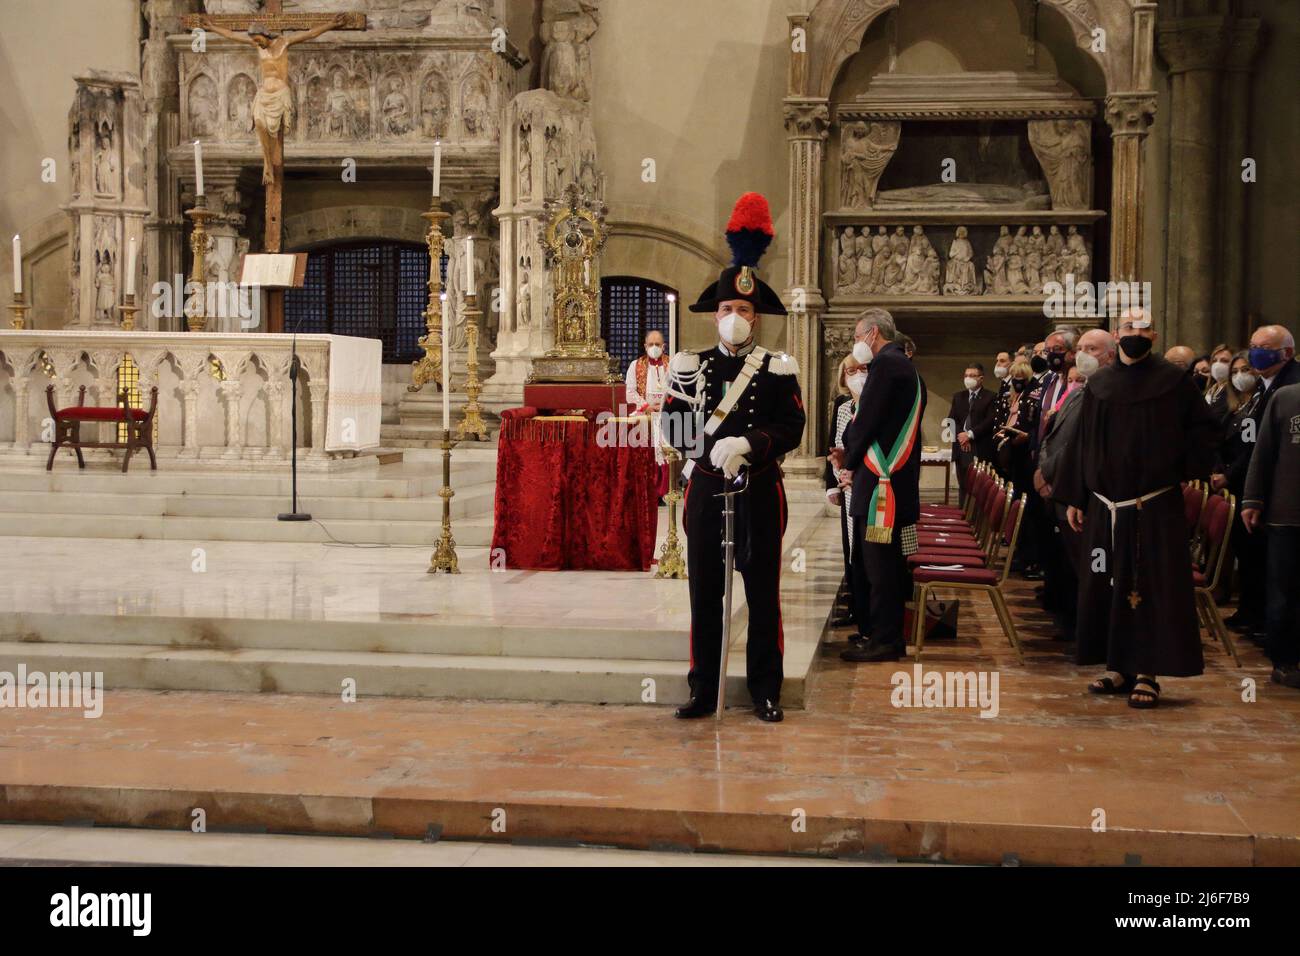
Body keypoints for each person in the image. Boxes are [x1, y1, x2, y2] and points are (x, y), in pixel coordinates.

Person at [661, 192, 805, 723]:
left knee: (763, 593)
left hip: (760, 491)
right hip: (704, 490)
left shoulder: (777, 368)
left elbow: (793, 426)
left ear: (756, 317)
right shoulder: (686, 364)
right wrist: (707, 450)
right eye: (726, 309)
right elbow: (672, 425)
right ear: (713, 316)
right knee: (705, 593)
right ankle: (703, 689)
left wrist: (748, 445)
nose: (735, 317)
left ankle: (766, 689)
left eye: (744, 310)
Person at [1055, 309, 1221, 709]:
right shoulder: (1099, 384)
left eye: (1143, 328)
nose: (1135, 333)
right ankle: (1116, 665)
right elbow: (1082, 443)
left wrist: (1181, 470)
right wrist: (1077, 496)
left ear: (1155, 335)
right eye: (1128, 327)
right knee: (1104, 582)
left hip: (1154, 505)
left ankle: (1148, 670)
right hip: (1104, 505)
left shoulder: (1173, 381)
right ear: (1117, 334)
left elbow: (1202, 431)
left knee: (1151, 588)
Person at [830, 308, 927, 663]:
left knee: (880, 566)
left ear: (872, 334)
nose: (856, 344)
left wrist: (848, 461)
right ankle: (883, 635)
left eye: (857, 337)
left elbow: (866, 420)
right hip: (890, 479)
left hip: (880, 484)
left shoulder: (886, 365)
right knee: (882, 564)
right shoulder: (905, 366)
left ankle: (885, 640)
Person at [1220, 325, 1300, 639]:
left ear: (1288, 353)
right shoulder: (1263, 386)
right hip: (1258, 488)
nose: (1256, 352)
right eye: (1253, 345)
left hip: (1282, 497)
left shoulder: (1291, 387)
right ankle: (1265, 624)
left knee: (1281, 575)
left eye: (1264, 347)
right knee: (1261, 564)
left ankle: (1276, 634)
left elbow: (1268, 448)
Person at [1037, 329, 1117, 637]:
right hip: (1060, 485)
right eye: (1080, 347)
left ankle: (1093, 631)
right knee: (1072, 567)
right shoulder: (1082, 391)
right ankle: (1078, 623)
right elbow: (1053, 433)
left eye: (1091, 348)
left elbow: (1078, 445)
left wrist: (1051, 474)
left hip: (1081, 492)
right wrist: (1044, 468)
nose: (1082, 354)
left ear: (1110, 355)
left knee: (1090, 569)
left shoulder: (1105, 393)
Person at [1242, 382, 1300, 689]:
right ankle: (1284, 661)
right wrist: (1252, 498)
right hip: (1287, 514)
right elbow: (1262, 450)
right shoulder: (1286, 397)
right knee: (1284, 594)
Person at [1211, 352, 1264, 622]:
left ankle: (1254, 613)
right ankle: (1246, 610)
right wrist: (1219, 471)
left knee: (1252, 555)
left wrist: (1228, 476)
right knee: (1243, 553)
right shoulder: (1238, 407)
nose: (1240, 375)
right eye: (1235, 371)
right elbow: (1224, 444)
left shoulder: (1259, 405)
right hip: (1230, 480)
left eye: (1245, 369)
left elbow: (1250, 450)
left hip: (1244, 485)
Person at [826, 355, 869, 642]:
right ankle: (855, 606)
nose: (855, 375)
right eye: (850, 371)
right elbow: (833, 445)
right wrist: (832, 484)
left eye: (861, 369)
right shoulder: (843, 407)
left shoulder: (873, 405)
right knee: (849, 551)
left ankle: (867, 614)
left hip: (863, 485)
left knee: (864, 554)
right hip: (845, 486)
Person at [625, 329, 670, 500]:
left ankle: (660, 492)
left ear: (663, 346)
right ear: (645, 346)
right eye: (651, 344)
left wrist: (664, 404)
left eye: (657, 344)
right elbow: (629, 392)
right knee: (641, 447)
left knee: (663, 448)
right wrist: (646, 406)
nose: (654, 347)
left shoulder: (671, 365)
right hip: (644, 411)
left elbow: (677, 389)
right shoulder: (635, 365)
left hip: (664, 412)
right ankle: (641, 490)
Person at [947, 362, 996, 505]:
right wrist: (962, 436)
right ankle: (963, 515)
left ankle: (977, 519)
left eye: (972, 376)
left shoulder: (991, 397)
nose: (968, 378)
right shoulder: (958, 397)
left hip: (980, 446)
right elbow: (951, 420)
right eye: (966, 375)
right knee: (964, 485)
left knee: (979, 487)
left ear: (981, 378)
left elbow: (990, 421)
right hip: (961, 447)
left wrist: (970, 434)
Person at [990, 360, 1039, 499]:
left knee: (1020, 490)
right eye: (1014, 377)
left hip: (1022, 448)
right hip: (1010, 447)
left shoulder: (1032, 394)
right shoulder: (1015, 394)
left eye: (1020, 377)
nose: (1017, 380)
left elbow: (1029, 421)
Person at [1204, 343, 1235, 408]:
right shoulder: (1210, 390)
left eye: (1224, 361)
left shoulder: (1234, 392)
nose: (1217, 364)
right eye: (1214, 361)